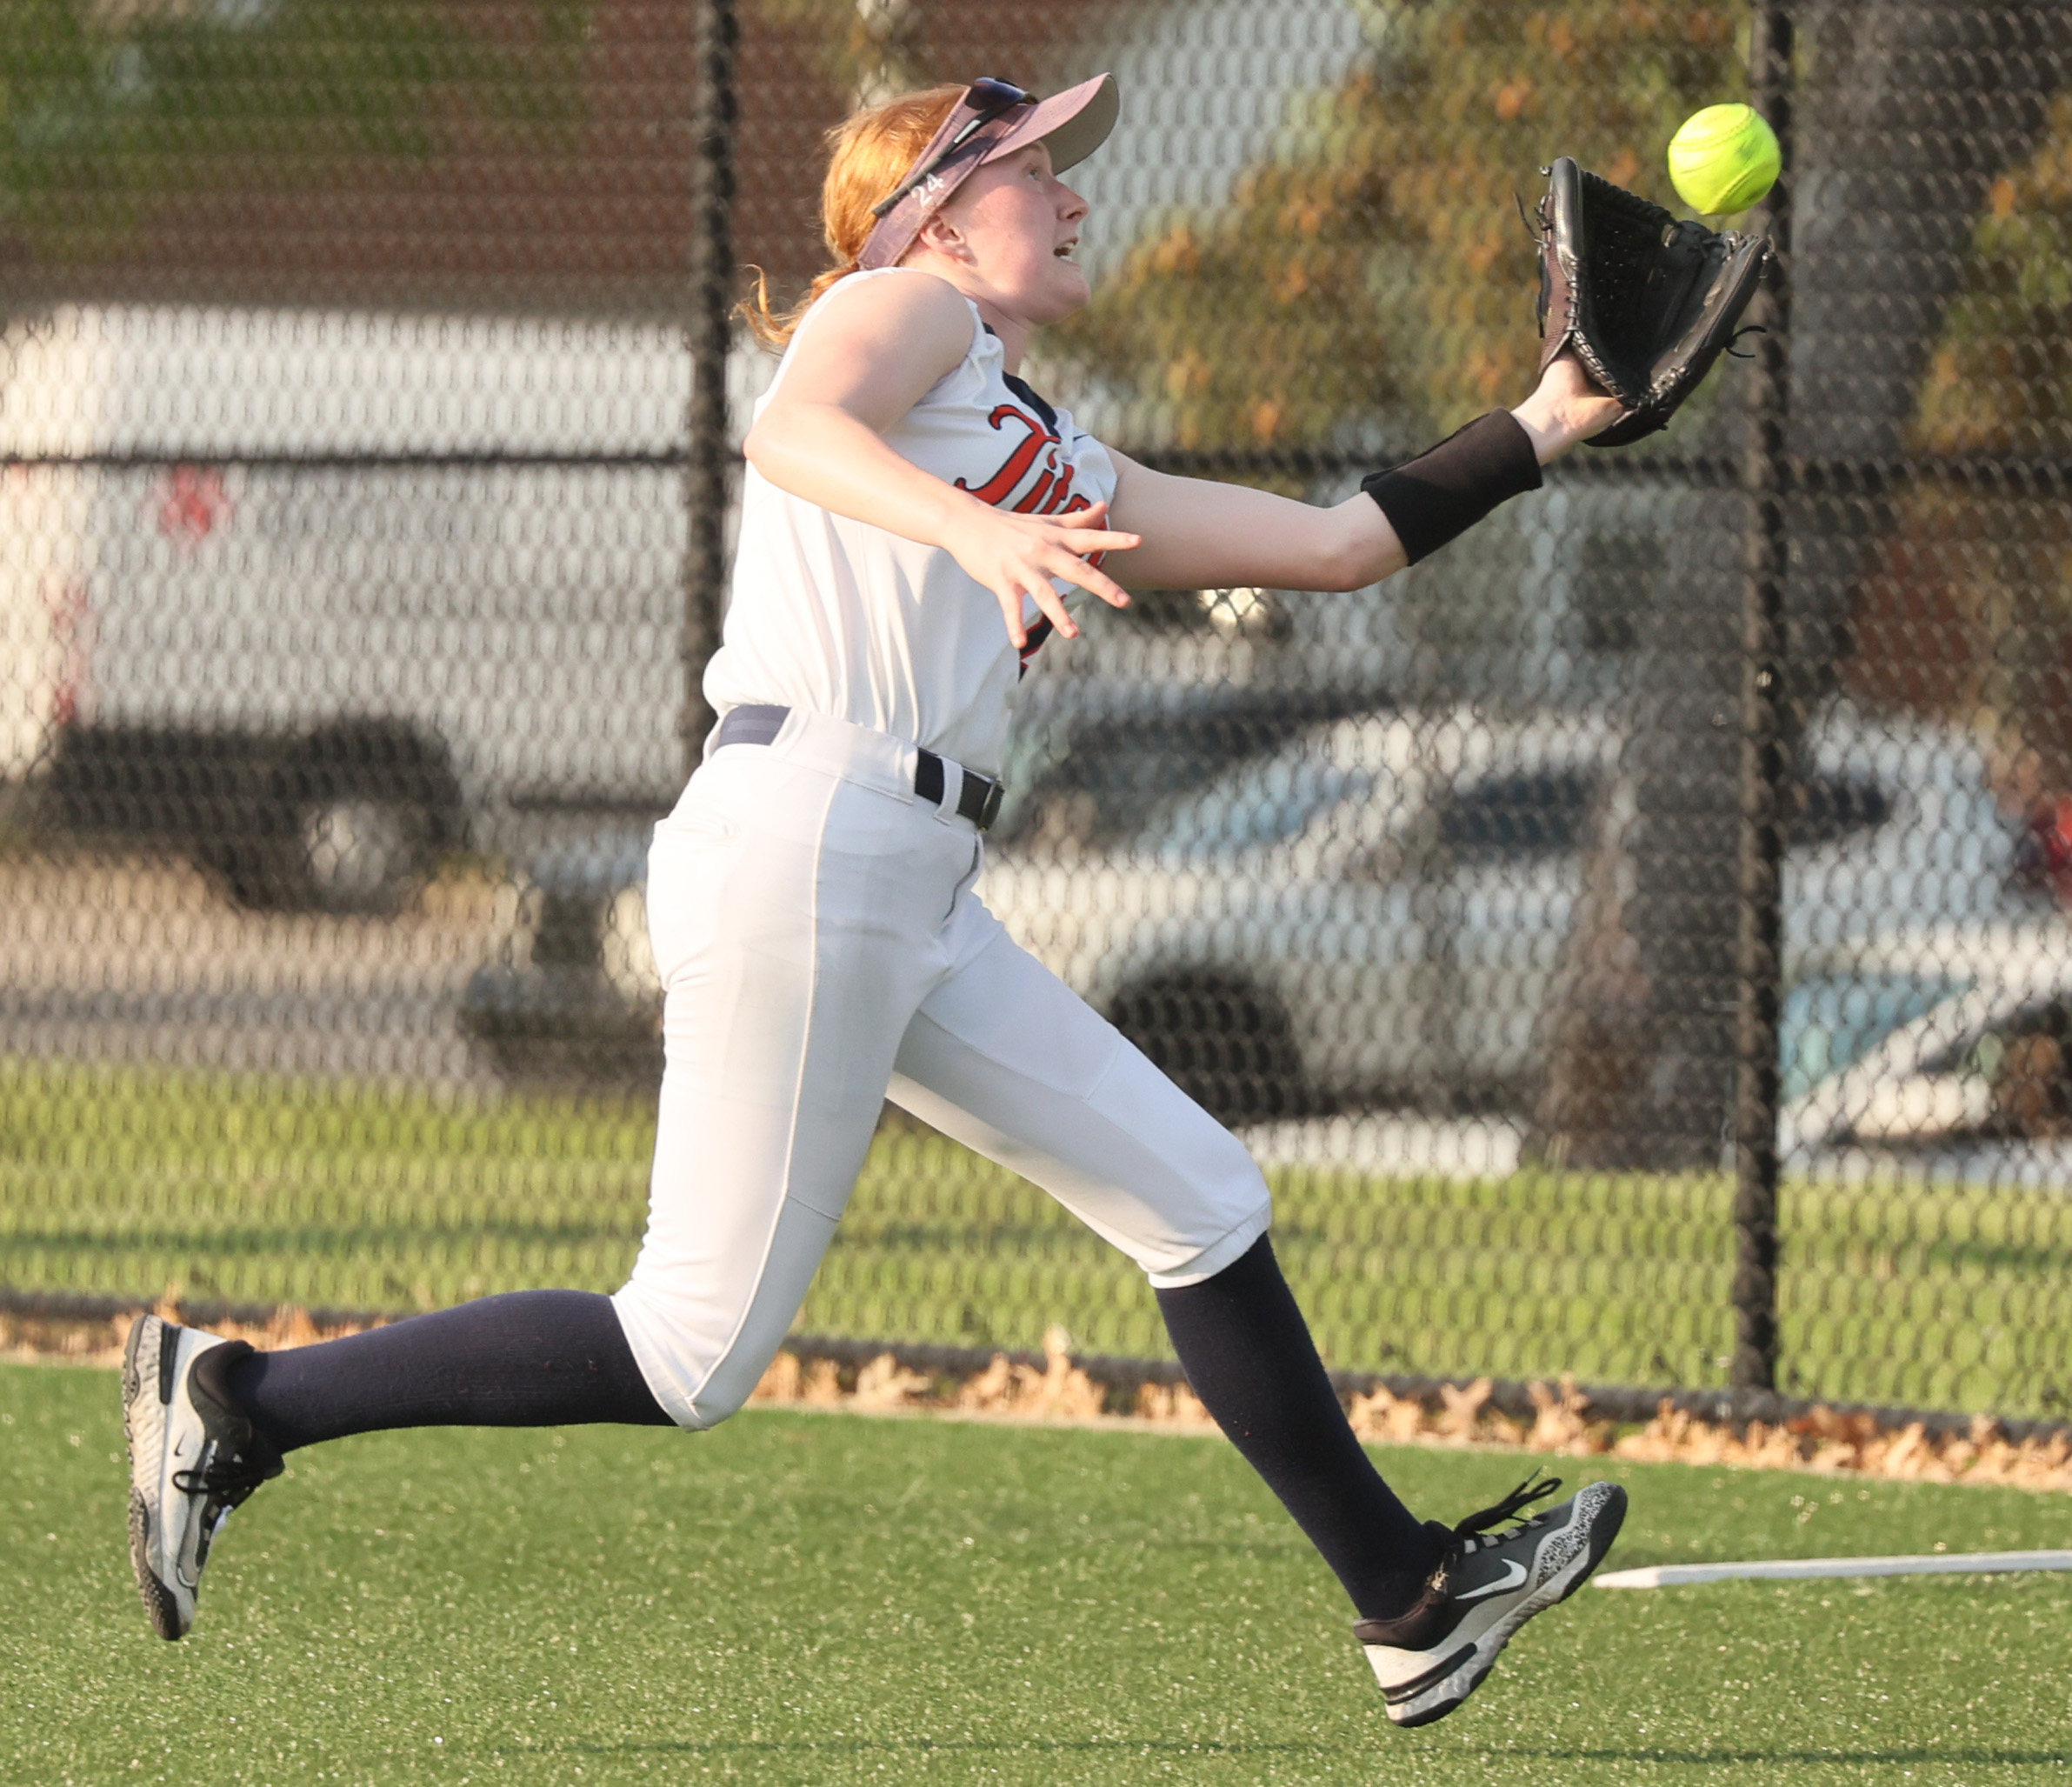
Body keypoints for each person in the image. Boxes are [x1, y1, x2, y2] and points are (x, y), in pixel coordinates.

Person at [123, 72, 1629, 1728]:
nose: (1068, 195)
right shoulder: (896, 304)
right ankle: (239, 1397)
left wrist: (1548, 419)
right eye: (1031, 170)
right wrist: (974, 532)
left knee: (1200, 1198)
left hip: (902, 880)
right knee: (687, 1353)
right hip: (810, 840)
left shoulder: (1031, 436)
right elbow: (794, 429)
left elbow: (1336, 543)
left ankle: (1411, 1603)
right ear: (928, 212)